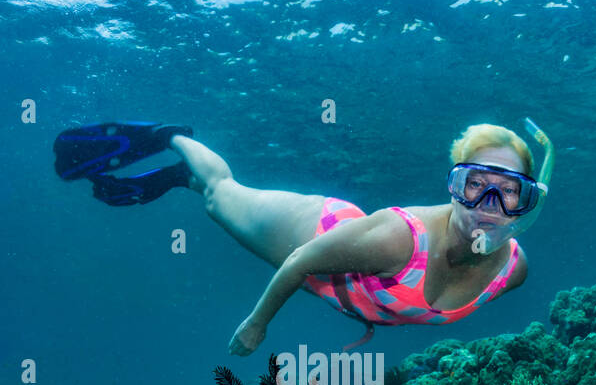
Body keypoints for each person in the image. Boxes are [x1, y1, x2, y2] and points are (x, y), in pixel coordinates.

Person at [53, 118, 555, 354]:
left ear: (526, 203)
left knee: (206, 197)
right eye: (475, 186)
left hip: (353, 273)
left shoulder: (513, 272)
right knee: (219, 196)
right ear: (454, 187)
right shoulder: (396, 240)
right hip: (320, 235)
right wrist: (256, 325)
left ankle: (175, 178)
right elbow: (299, 262)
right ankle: (170, 137)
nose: (489, 206)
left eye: (508, 192)